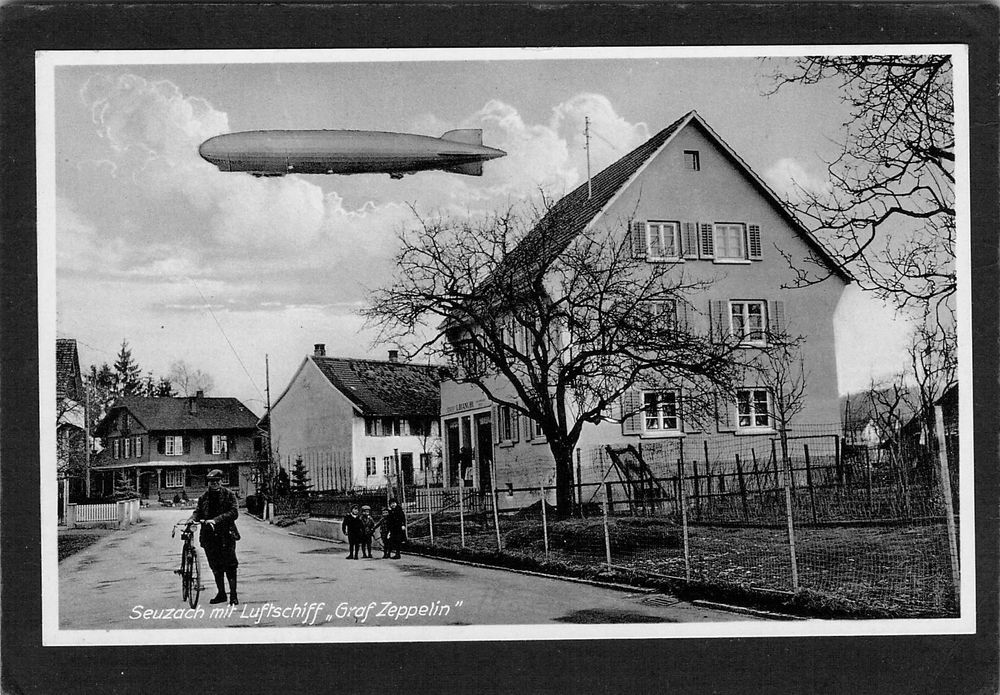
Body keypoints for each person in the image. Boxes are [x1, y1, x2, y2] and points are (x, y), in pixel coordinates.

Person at [189, 469, 240, 605]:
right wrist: (192, 519)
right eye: (212, 482)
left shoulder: (229, 495)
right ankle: (221, 593)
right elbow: (198, 512)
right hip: (209, 536)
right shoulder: (204, 497)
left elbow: (234, 512)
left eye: (217, 481)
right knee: (215, 566)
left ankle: (233, 595)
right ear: (208, 483)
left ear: (221, 481)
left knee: (230, 565)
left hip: (226, 535)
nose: (215, 484)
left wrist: (216, 520)